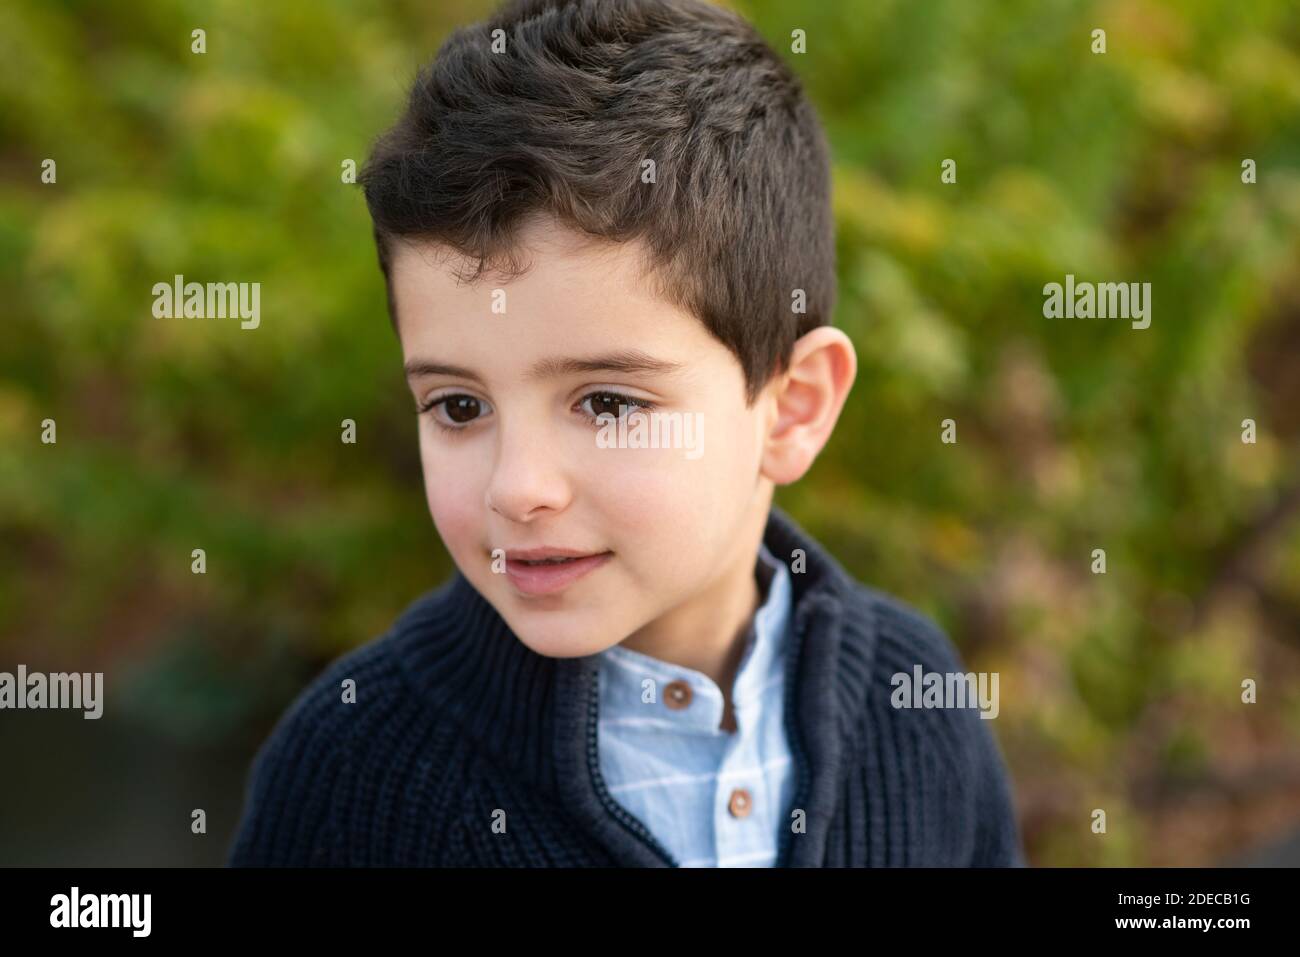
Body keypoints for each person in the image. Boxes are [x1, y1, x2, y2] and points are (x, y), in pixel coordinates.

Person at [228, 0, 1024, 867]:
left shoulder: (916, 701)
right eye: (460, 407)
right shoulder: (355, 771)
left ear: (791, 408)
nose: (517, 486)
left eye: (607, 403)